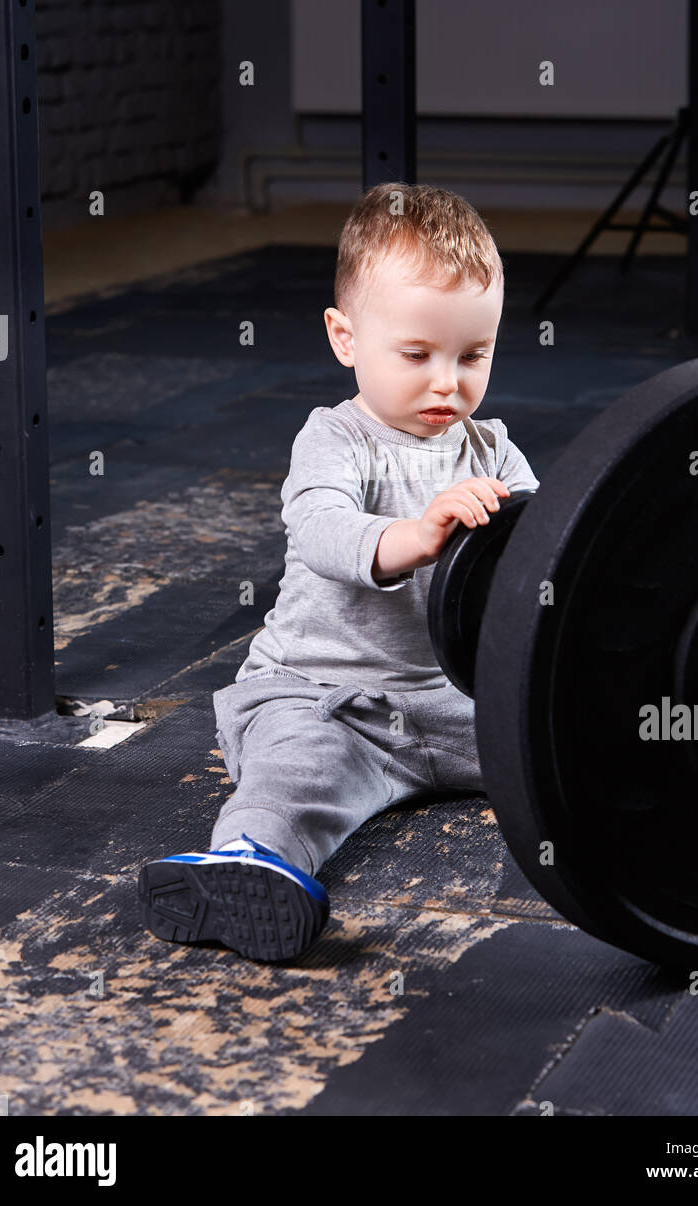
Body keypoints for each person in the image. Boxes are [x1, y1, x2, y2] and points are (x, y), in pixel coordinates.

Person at [138, 182, 539, 962]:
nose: (447, 382)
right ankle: (248, 863)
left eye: (473, 355)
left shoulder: (493, 453)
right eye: (417, 355)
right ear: (345, 337)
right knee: (299, 773)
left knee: (558, 739)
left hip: (451, 703)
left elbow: (541, 560)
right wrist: (414, 534)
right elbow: (321, 530)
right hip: (325, 696)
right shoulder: (334, 441)